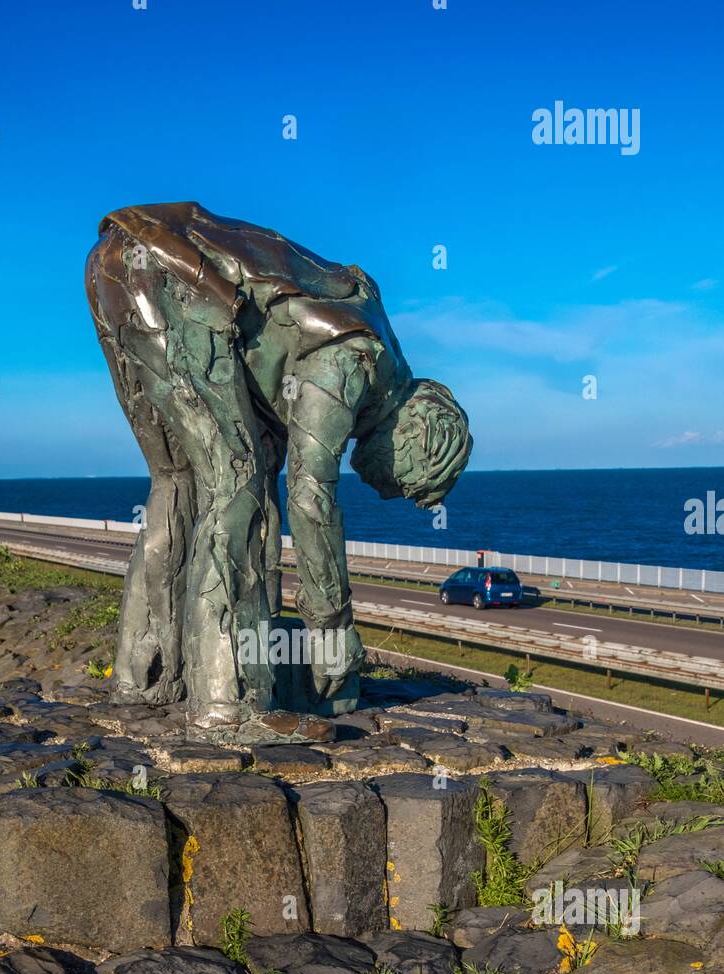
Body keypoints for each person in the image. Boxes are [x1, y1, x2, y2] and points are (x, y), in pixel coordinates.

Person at [86, 201, 472, 731]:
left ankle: (147, 680)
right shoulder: (356, 358)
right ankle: (227, 706)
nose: (384, 489)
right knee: (238, 480)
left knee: (179, 481)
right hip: (176, 276)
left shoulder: (357, 320)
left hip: (118, 259)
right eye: (401, 482)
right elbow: (311, 501)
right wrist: (333, 633)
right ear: (414, 435)